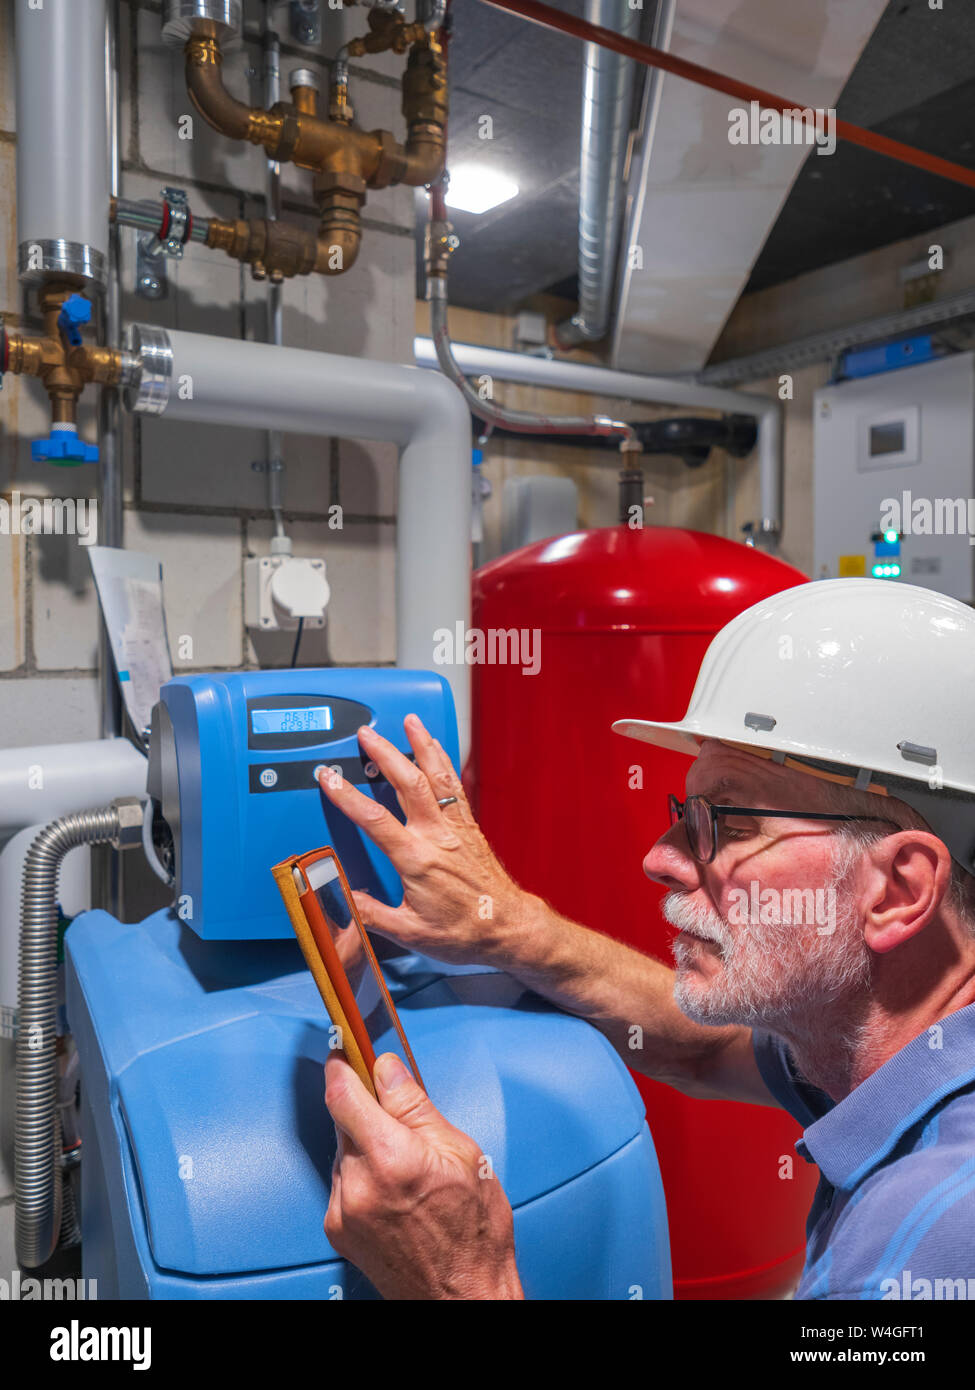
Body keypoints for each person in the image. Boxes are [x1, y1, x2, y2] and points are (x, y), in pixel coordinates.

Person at [316, 579, 975, 1301]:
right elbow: (698, 1046)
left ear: (899, 889)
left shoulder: (913, 1256)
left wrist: (458, 1279)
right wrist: (507, 926)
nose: (659, 858)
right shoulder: (906, 1038)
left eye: (727, 823)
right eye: (683, 811)